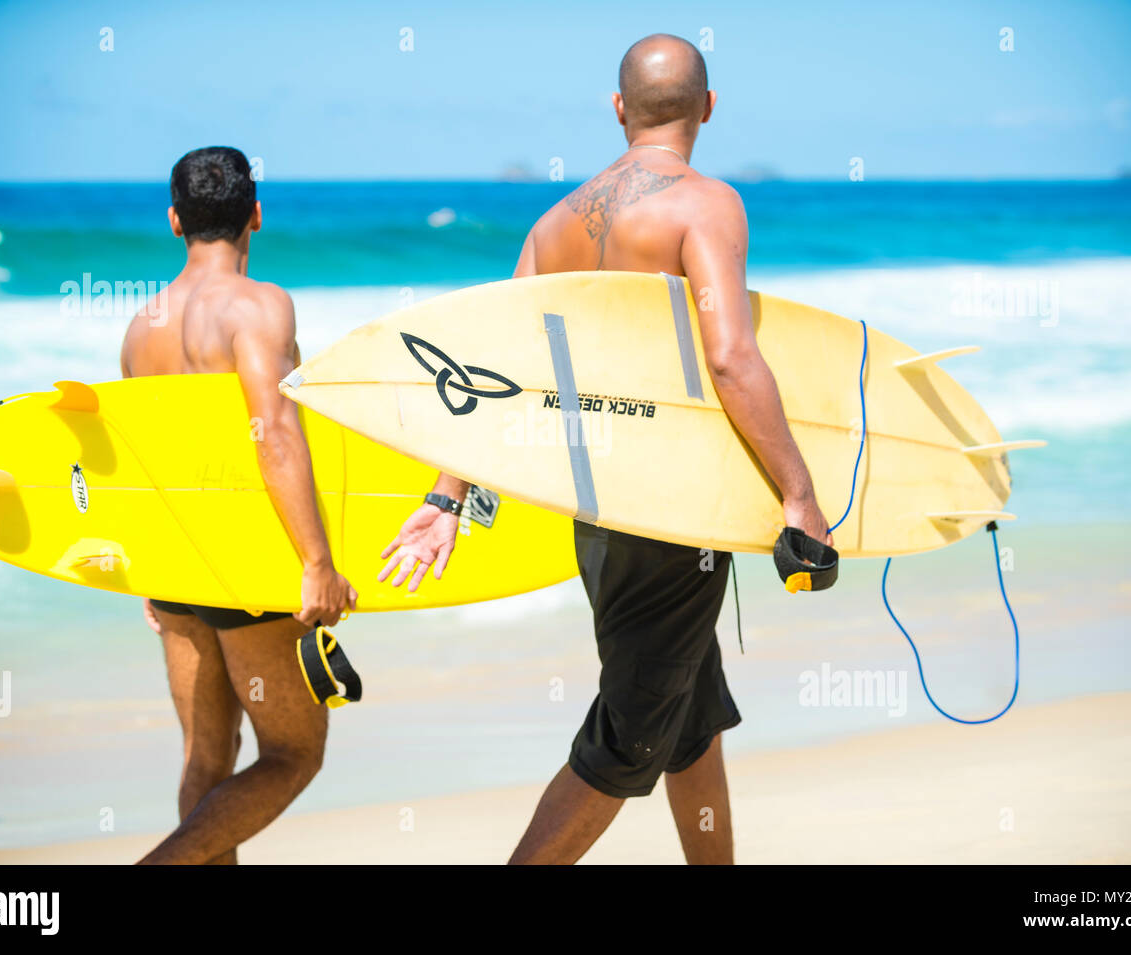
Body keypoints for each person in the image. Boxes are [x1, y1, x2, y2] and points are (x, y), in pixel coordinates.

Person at [379, 35, 832, 864]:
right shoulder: (705, 204)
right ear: (709, 107)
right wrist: (799, 495)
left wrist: (448, 495)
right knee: (628, 739)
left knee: (689, 716)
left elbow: (494, 372)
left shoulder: (553, 225)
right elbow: (732, 356)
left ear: (619, 109)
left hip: (597, 511)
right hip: (673, 512)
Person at [121, 146, 357, 864]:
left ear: (174, 220)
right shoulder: (257, 305)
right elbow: (274, 431)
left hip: (177, 562)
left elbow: (143, 458)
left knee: (208, 758)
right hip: (246, 559)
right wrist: (316, 560)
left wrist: (146, 571)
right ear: (256, 213)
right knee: (293, 753)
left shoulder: (141, 324)